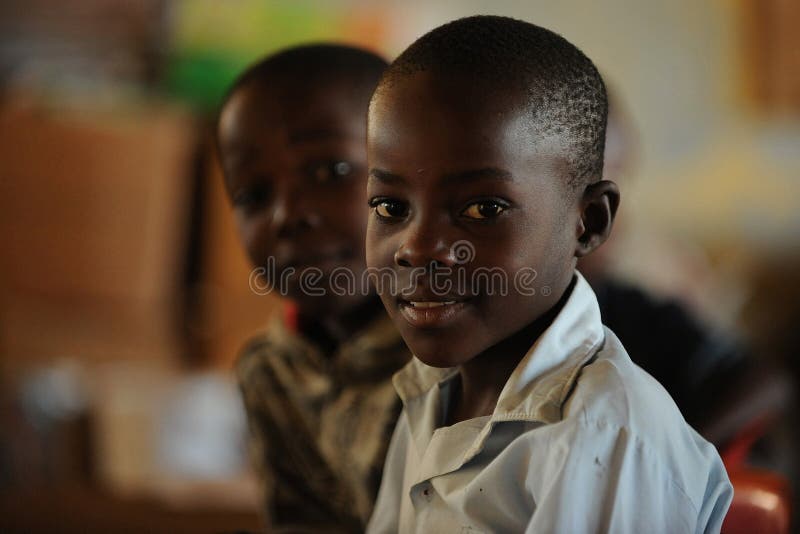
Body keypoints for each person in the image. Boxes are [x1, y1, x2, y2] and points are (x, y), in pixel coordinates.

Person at [364, 16, 732, 532]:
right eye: (390, 206)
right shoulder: (431, 390)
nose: (416, 248)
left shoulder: (602, 437)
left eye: (483, 209)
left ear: (589, 221)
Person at [216, 44, 410, 532]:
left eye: (331, 171)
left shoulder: (463, 357)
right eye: (253, 194)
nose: (287, 215)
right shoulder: (270, 374)